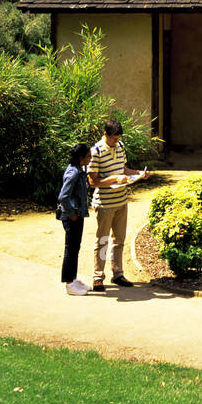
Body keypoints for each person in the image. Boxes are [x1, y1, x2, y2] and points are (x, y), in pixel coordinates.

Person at [86, 120, 148, 291]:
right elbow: (93, 181)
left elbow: (123, 169)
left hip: (121, 200)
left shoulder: (120, 146)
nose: (115, 142)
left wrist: (138, 174)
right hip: (105, 204)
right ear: (105, 134)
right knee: (103, 240)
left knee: (119, 240)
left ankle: (118, 273)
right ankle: (98, 276)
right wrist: (114, 179)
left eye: (118, 139)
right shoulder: (95, 151)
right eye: (113, 139)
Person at [57, 143, 92, 295]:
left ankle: (73, 278)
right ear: (81, 157)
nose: (90, 159)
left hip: (77, 215)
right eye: (88, 156)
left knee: (75, 247)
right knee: (70, 249)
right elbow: (63, 197)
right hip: (72, 217)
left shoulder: (79, 170)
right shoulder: (73, 173)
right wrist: (72, 214)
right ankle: (69, 284)